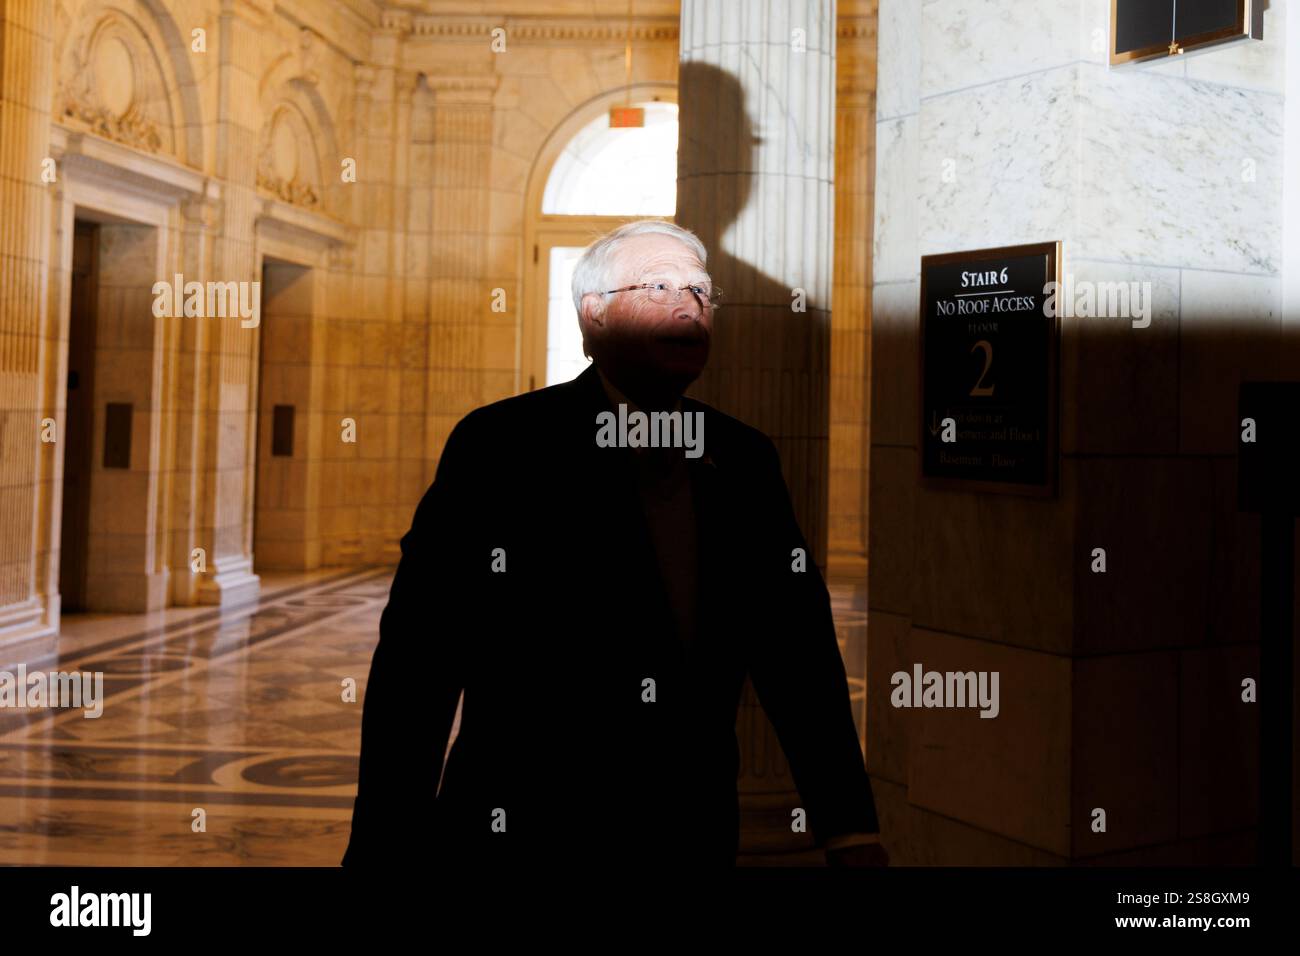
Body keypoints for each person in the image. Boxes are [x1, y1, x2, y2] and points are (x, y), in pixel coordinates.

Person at [342, 219, 886, 868]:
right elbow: (419, 663)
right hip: (524, 833)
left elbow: (797, 653)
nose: (689, 305)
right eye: (659, 285)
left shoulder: (743, 458)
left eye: (702, 291)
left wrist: (849, 827)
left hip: (689, 835)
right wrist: (380, 845)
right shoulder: (500, 448)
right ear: (593, 316)